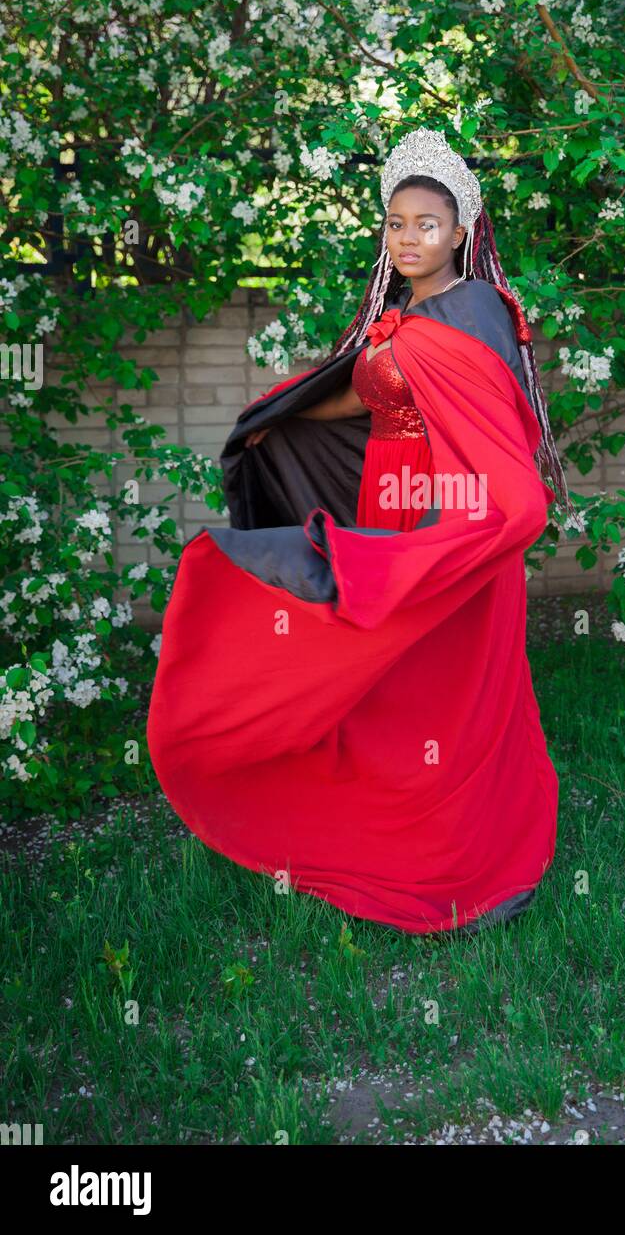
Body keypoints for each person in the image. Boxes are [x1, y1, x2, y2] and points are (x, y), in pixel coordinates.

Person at [147, 127, 577, 934]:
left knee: (444, 692)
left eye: (426, 224)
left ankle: (463, 864)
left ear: (462, 233)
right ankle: (388, 829)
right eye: (395, 223)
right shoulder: (403, 312)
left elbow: (497, 452)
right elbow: (363, 396)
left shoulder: (474, 310)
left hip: (444, 528)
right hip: (389, 504)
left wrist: (454, 538)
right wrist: (274, 421)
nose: (409, 238)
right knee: (390, 682)